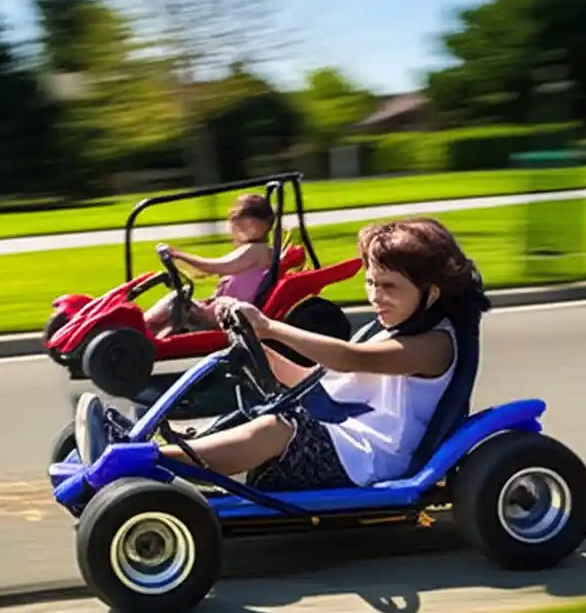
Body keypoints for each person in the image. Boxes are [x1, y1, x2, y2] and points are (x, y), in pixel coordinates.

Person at [75, 216, 492, 491]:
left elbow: (350, 359)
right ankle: (144, 442)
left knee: (276, 428)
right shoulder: (393, 329)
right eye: (371, 283)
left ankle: (138, 460)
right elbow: (320, 384)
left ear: (431, 292)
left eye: (389, 287)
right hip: (350, 441)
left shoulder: (435, 345)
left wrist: (270, 327)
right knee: (257, 410)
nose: (375, 296)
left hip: (373, 461)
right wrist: (258, 351)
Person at [143, 193, 279, 335]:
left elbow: (217, 266)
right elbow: (207, 272)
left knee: (176, 299)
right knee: (176, 306)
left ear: (258, 224)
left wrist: (178, 254)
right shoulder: (255, 250)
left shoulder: (256, 250)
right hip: (222, 311)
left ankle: (141, 326)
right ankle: (145, 332)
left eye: (239, 223)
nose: (234, 228)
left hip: (228, 315)